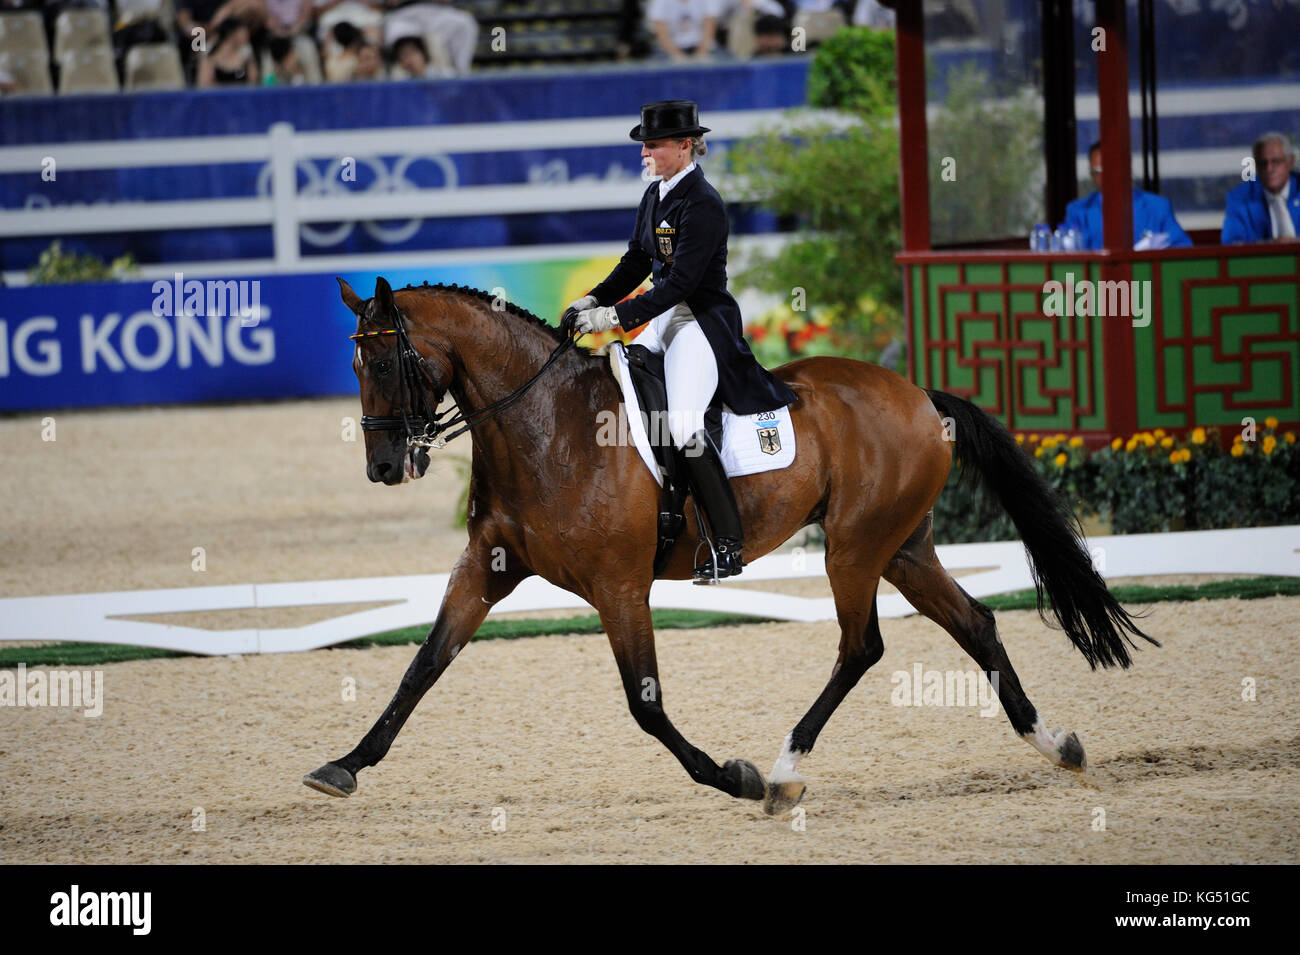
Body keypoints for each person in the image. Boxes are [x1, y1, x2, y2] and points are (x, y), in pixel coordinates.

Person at [569, 101, 798, 582]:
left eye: (652, 145)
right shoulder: (655, 194)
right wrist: (592, 299)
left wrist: (614, 316)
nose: (645, 152)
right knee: (621, 391)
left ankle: (729, 543)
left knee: (681, 424)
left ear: (684, 146)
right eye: (644, 145)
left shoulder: (704, 203)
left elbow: (681, 284)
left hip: (700, 320)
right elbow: (636, 262)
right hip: (665, 315)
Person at [1062, 140, 1192, 249]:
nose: (1104, 176)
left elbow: (1183, 247)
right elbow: (1068, 257)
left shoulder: (1157, 206)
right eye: (1097, 171)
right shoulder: (1078, 211)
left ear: (1125, 167)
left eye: (1110, 168)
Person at [1221, 131, 1300, 243]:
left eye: (1276, 161)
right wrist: (1271, 245)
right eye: (1263, 163)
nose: (1269, 169)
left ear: (1290, 162)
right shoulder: (1239, 198)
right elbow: (1232, 244)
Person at [197, 17, 259, 85]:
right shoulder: (210, 54)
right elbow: (204, 84)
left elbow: (254, 83)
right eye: (243, 32)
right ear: (231, 33)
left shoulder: (246, 53)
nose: (248, 36)